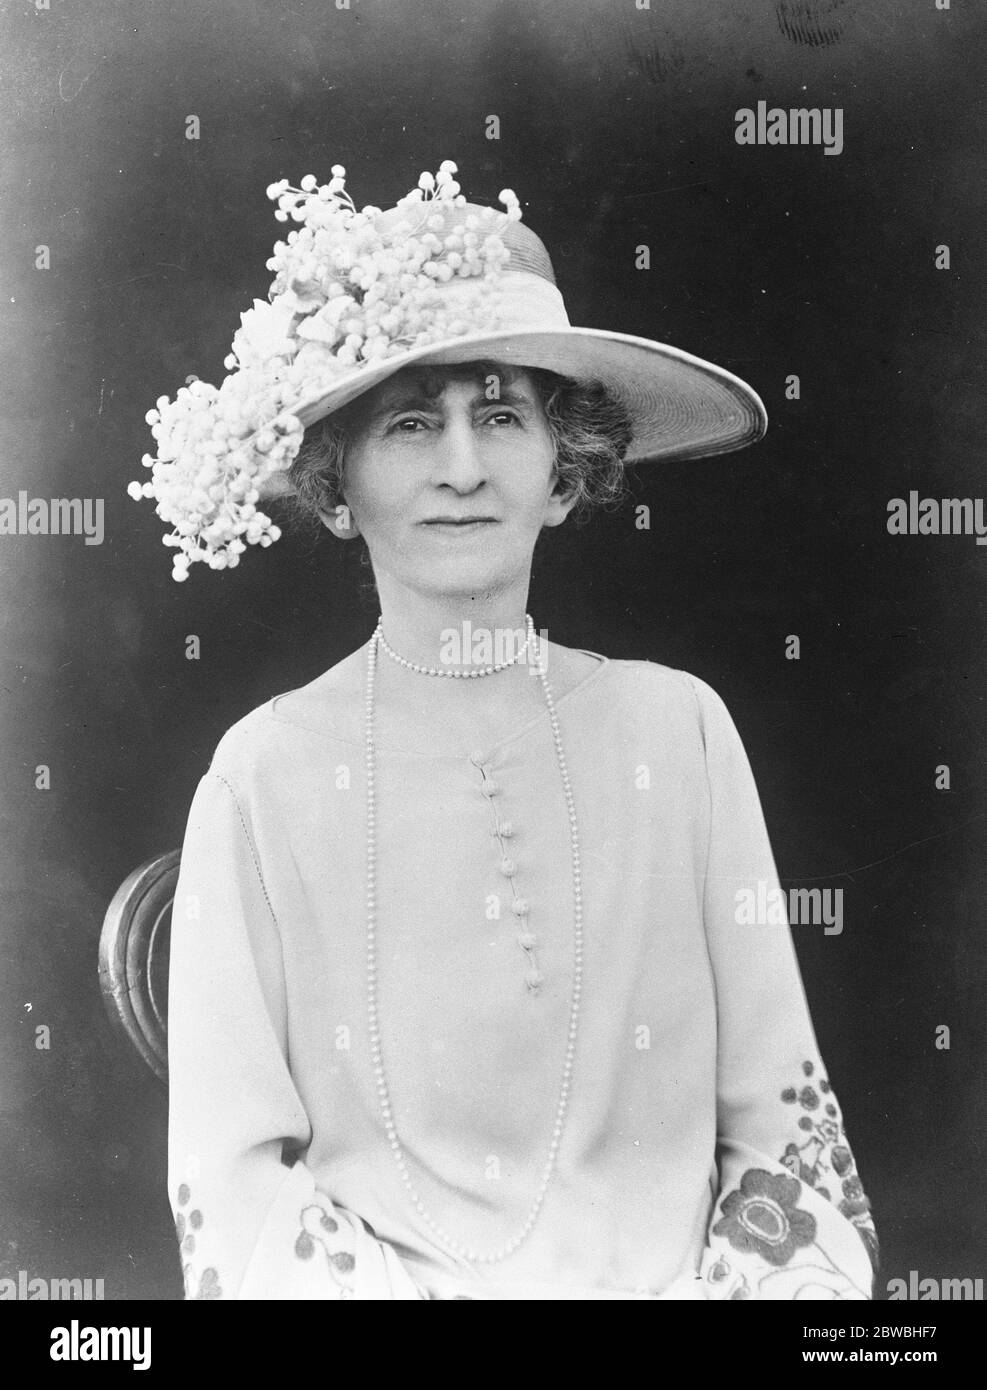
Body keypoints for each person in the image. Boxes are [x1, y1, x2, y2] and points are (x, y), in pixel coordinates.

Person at [136, 161, 878, 1299]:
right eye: (409, 425)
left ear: (567, 471)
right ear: (336, 488)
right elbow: (234, 1189)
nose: (464, 466)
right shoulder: (262, 776)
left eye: (499, 414)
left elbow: (787, 1134)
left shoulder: (678, 731)